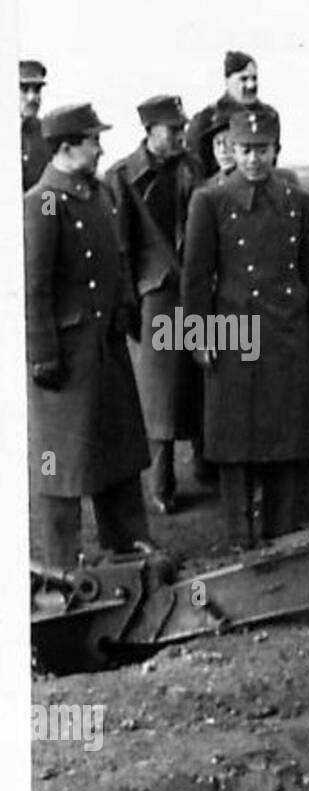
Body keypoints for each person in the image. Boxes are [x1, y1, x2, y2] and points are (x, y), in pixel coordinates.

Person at [181, 108, 309, 547]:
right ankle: (240, 537)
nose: (253, 160)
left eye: (262, 150)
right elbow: (195, 277)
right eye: (245, 150)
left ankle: (283, 533)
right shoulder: (208, 201)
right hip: (233, 334)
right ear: (231, 149)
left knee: (287, 440)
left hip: (287, 334)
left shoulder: (296, 202)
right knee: (236, 444)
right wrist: (198, 338)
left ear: (276, 151)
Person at [25, 103, 156, 568]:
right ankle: (61, 564)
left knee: (117, 450)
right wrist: (42, 354)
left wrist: (123, 307)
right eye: (92, 140)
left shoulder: (97, 194)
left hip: (106, 346)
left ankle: (127, 545)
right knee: (61, 464)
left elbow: (118, 257)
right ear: (66, 147)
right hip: (67, 357)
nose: (100, 148)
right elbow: (34, 285)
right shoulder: (43, 201)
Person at [105, 94, 210, 515]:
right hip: (157, 296)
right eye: (173, 130)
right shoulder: (121, 177)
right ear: (150, 132)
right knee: (162, 395)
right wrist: (130, 306)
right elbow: (120, 250)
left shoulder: (191, 167)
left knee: (204, 374)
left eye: (183, 128)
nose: (182, 136)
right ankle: (162, 486)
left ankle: (208, 465)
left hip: (196, 289)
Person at [186, 50, 268, 178]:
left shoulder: (267, 116)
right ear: (227, 81)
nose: (251, 85)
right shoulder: (206, 120)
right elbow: (197, 171)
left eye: (254, 78)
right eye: (244, 79)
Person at [20, 59, 50, 191]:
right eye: (24, 89)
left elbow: (49, 190)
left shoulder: (47, 134)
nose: (32, 97)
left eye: (37, 89)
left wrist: (48, 211)